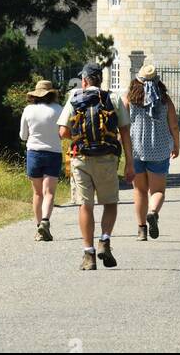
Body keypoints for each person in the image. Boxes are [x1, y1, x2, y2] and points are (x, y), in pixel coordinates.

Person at [57, 63, 134, 271]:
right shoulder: (113, 98)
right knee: (110, 203)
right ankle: (105, 240)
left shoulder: (74, 98)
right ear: (101, 79)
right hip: (107, 158)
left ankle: (89, 254)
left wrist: (79, 137)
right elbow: (125, 133)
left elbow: (63, 131)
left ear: (84, 80)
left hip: (81, 158)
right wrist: (130, 164)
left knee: (85, 205)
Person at [122, 64, 180, 242]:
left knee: (139, 190)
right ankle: (153, 212)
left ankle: (141, 230)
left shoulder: (129, 99)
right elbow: (174, 125)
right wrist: (176, 145)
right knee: (158, 191)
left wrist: (124, 151)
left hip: (136, 150)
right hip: (160, 150)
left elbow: (123, 127)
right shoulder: (164, 100)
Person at [19, 78, 64, 242]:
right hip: (53, 153)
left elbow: (23, 136)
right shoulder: (59, 109)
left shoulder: (28, 110)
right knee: (49, 192)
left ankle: (39, 228)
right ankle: (45, 221)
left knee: (37, 193)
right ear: (51, 94)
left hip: (34, 153)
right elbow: (64, 132)